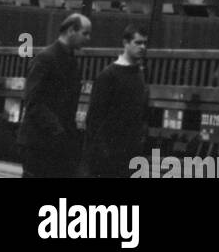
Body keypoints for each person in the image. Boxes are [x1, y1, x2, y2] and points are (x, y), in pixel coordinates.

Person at [18, 10, 90, 178]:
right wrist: (58, 130)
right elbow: (33, 101)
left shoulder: (71, 61)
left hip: (55, 141)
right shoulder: (46, 58)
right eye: (85, 33)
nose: (88, 38)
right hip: (39, 142)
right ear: (71, 30)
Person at [85, 24, 150, 178]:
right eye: (138, 42)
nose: (142, 47)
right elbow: (94, 119)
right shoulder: (108, 75)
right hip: (109, 157)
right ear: (125, 43)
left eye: (145, 43)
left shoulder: (139, 75)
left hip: (130, 155)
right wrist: (102, 154)